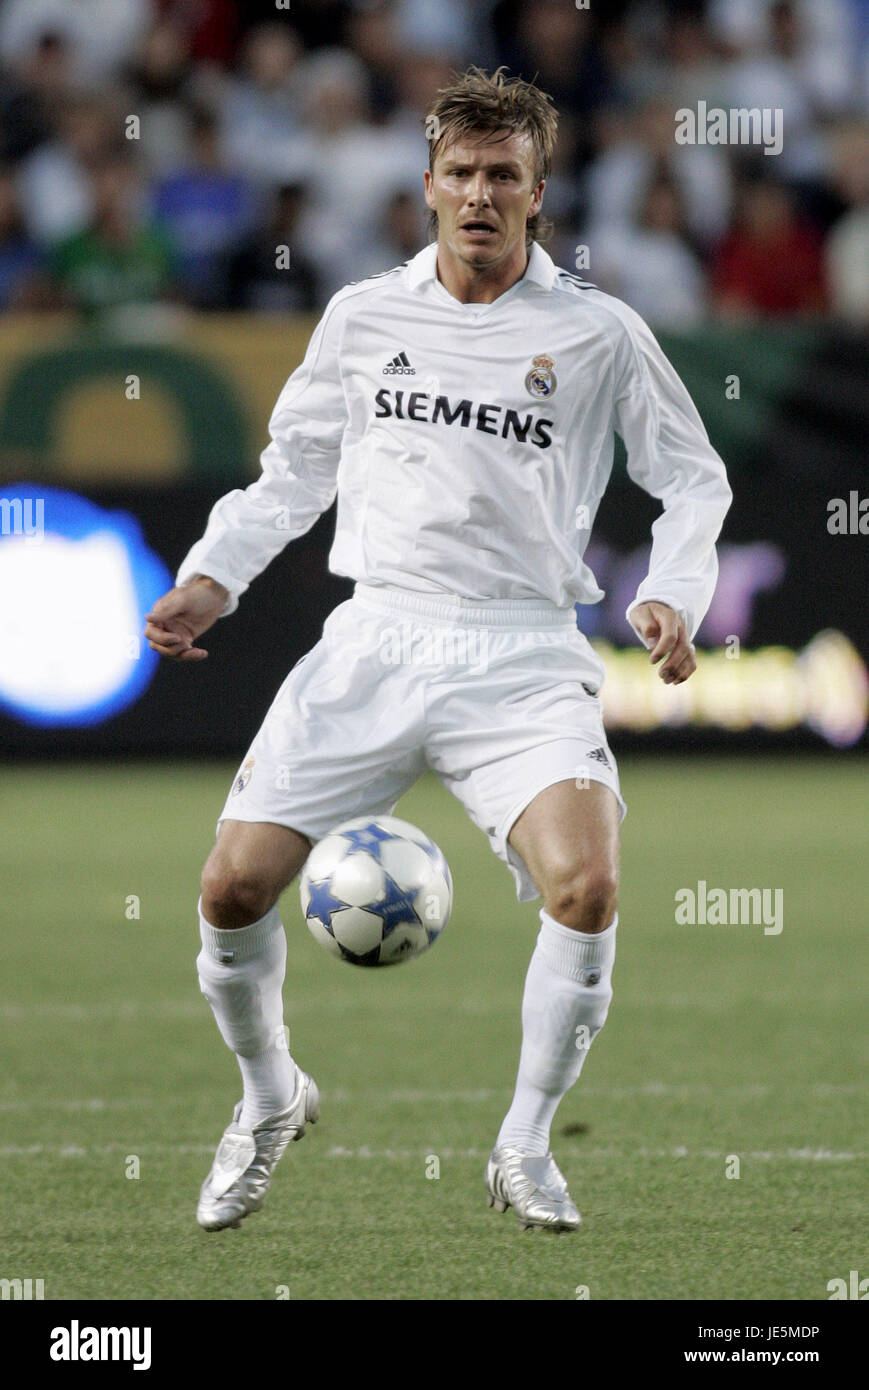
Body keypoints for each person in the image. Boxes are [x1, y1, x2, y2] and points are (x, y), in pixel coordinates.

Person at [145, 67, 731, 1234]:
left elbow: (691, 478)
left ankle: (524, 1143)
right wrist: (212, 577)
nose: (478, 194)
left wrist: (671, 592)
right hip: (376, 635)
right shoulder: (363, 316)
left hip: (520, 652)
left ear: (537, 192)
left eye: (502, 174)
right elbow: (294, 472)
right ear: (425, 184)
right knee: (229, 886)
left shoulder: (598, 332)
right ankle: (269, 1096)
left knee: (586, 884)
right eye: (459, 172)